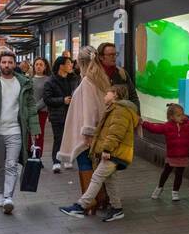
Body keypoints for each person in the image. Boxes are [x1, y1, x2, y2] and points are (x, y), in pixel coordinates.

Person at [60, 84, 139, 222]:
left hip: (114, 153)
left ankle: (81, 206)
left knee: (97, 177)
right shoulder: (116, 109)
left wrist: (107, 150)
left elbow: (115, 133)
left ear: (115, 94)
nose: (104, 96)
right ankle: (117, 209)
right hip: (116, 152)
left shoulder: (120, 110)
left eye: (107, 93)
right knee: (110, 181)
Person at [0, 50, 39, 215]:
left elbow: (31, 107)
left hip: (16, 130)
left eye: (10, 62)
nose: (7, 65)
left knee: (11, 165)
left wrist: (34, 128)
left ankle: (9, 197)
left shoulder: (24, 82)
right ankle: (0, 194)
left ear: (15, 64)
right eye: (4, 62)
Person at [57, 46, 111, 215]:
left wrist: (88, 132)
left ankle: (89, 203)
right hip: (99, 130)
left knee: (85, 164)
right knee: (95, 165)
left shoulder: (88, 81)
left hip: (86, 133)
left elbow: (89, 109)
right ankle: (101, 198)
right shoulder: (100, 78)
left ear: (81, 62)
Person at [42, 54, 76, 173]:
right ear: (61, 66)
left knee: (70, 137)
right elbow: (47, 99)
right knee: (59, 138)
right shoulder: (50, 81)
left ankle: (67, 159)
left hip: (72, 114)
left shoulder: (73, 79)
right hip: (57, 115)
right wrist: (62, 100)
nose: (71, 65)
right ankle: (56, 162)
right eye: (68, 63)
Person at [96, 42, 140, 114]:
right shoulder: (95, 76)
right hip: (102, 117)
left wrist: (137, 116)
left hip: (122, 116)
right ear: (101, 57)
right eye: (110, 55)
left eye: (115, 54)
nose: (114, 57)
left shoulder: (122, 73)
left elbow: (133, 96)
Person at [29, 57, 50, 160]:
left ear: (45, 67)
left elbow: (46, 97)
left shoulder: (48, 80)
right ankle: (29, 154)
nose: (38, 66)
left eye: (41, 64)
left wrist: (36, 107)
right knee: (28, 133)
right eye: (36, 64)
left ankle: (38, 156)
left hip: (41, 111)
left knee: (39, 134)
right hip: (30, 111)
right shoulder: (29, 79)